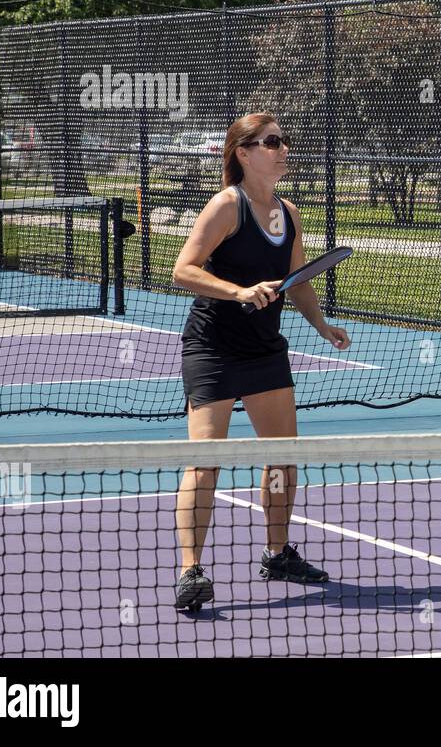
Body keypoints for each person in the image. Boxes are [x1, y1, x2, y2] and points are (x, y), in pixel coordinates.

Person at [170, 113, 351, 609]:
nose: (282, 148)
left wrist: (321, 325)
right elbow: (182, 270)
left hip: (265, 351)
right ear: (243, 153)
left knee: (282, 457)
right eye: (271, 142)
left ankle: (276, 553)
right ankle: (191, 570)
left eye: (284, 140)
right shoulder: (227, 206)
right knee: (206, 463)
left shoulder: (287, 213)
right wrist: (239, 292)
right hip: (213, 349)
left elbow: (298, 280)